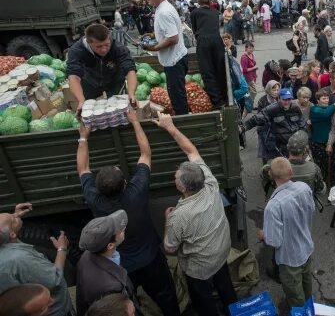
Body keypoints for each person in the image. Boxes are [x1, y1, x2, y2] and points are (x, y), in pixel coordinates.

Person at [76, 110, 180, 315]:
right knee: (165, 295)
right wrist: (135, 122)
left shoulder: (95, 200)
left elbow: (82, 168)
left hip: (123, 269)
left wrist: (83, 136)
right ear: (125, 183)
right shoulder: (136, 192)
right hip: (151, 259)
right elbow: (145, 154)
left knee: (131, 302)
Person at [158, 113, 237, 316]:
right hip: (221, 253)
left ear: (182, 187)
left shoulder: (180, 215)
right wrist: (171, 127)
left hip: (199, 268)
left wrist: (167, 220)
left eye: (177, 177)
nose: (175, 176)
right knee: (225, 286)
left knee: (203, 299)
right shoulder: (210, 183)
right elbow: (191, 150)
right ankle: (233, 309)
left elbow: (170, 248)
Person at [257, 157, 315, 308]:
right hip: (307, 248)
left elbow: (274, 241)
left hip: (290, 258)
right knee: (307, 283)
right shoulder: (304, 188)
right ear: (291, 171)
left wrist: (264, 235)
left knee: (295, 295)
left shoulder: (273, 206)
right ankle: (309, 308)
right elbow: (311, 211)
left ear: (271, 175)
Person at [0, 203, 73, 316]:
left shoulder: (4, 242)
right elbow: (55, 279)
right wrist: (62, 249)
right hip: (55, 311)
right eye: (13, 219)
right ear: (12, 234)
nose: (15, 215)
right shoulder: (20, 259)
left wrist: (14, 217)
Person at [76, 210, 141, 316]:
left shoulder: (87, 254)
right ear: (110, 245)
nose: (123, 228)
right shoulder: (111, 288)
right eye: (120, 230)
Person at [67, 23, 137, 113]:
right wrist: (81, 100)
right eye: (99, 46)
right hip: (90, 81)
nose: (104, 49)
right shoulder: (77, 51)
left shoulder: (117, 47)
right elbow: (73, 76)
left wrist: (131, 93)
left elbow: (130, 70)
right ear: (88, 43)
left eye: (106, 45)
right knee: (89, 109)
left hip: (114, 80)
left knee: (119, 109)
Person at [143, 0, 189, 115]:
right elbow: (168, 31)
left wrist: (155, 47)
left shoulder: (163, 12)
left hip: (174, 62)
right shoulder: (163, 7)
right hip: (178, 58)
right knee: (178, 94)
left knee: (177, 97)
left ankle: (183, 123)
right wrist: (152, 35)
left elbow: (173, 38)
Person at [244, 88, 307, 160]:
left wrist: (304, 142)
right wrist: (244, 127)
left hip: (294, 143)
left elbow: (302, 126)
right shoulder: (272, 109)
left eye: (289, 99)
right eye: (284, 99)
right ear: (279, 98)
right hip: (279, 144)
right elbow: (257, 118)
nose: (287, 102)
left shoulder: (295, 108)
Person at [191, 0, 227, 109]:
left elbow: (195, 29)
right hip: (217, 40)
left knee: (207, 71)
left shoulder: (194, 13)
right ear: (209, 2)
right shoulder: (216, 13)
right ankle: (224, 96)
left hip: (203, 41)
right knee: (220, 69)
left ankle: (217, 101)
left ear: (199, 2)